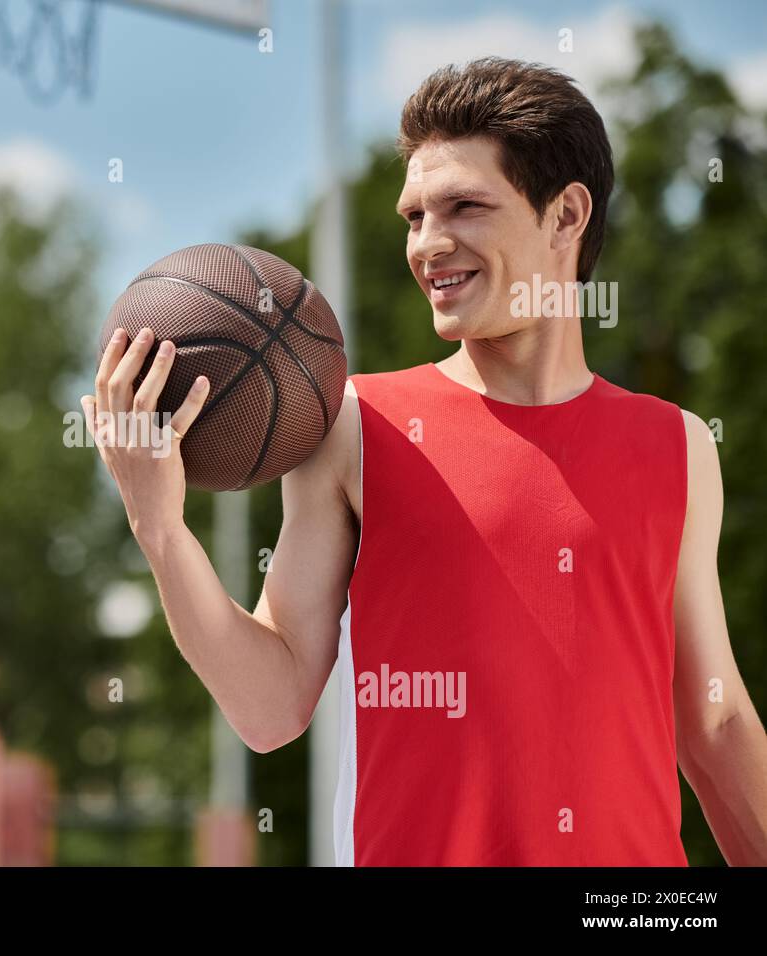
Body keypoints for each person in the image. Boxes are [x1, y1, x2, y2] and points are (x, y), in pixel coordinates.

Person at [80, 57, 767, 866]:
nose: (428, 245)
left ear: (566, 215)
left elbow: (715, 722)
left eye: (464, 207)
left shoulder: (678, 444)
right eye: (414, 217)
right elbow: (268, 710)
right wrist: (161, 530)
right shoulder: (355, 427)